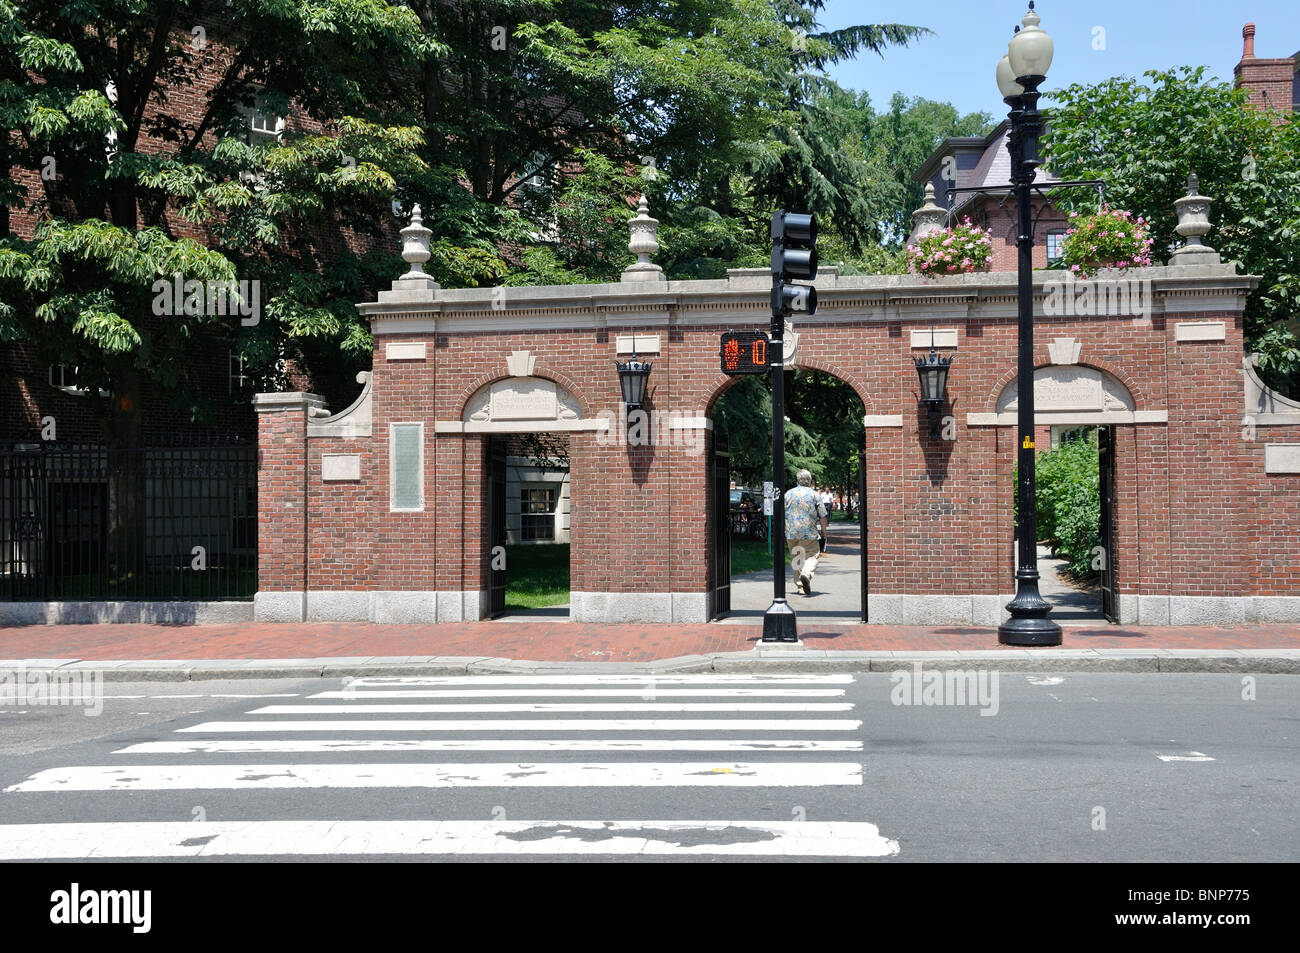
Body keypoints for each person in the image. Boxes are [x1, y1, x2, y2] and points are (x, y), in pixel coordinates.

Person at [784, 469, 827, 595]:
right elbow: (823, 516)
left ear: (797, 480)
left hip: (791, 532)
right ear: (809, 481)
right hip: (809, 532)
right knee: (812, 555)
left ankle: (801, 587)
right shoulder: (814, 495)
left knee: (797, 558)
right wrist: (824, 532)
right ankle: (806, 574)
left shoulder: (788, 494)